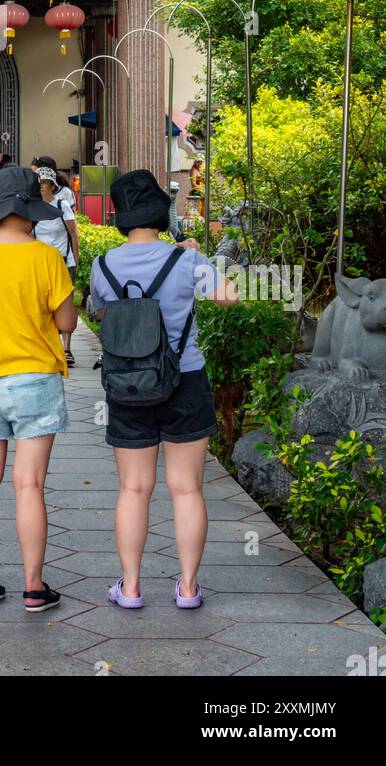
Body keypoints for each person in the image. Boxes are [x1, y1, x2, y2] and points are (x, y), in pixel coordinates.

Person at [88, 169, 239, 611]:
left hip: (127, 383)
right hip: (185, 380)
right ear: (160, 213)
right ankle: (188, 588)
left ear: (122, 216)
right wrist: (196, 255)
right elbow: (227, 296)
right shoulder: (186, 259)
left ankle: (131, 588)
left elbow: (99, 311)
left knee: (134, 489)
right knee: (186, 488)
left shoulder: (103, 265)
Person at [0, 166, 77, 613]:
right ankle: (33, 587)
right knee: (29, 484)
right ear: (29, 210)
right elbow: (66, 323)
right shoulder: (45, 258)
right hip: (34, 379)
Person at [34, 165, 80, 366]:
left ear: (52, 185)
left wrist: (76, 259)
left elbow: (73, 234)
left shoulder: (62, 206)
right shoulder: (34, 209)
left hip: (62, 261)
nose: (43, 187)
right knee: (42, 304)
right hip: (40, 263)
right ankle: (45, 345)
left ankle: (67, 348)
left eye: (46, 183)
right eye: (40, 183)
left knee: (65, 303)